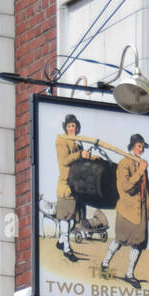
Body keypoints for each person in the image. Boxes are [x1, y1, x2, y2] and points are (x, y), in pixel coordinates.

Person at [100, 133, 149, 289]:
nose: (141, 149)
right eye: (139, 146)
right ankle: (104, 264)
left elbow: (148, 187)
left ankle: (129, 274)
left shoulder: (142, 164)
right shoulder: (125, 163)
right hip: (127, 210)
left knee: (138, 243)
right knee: (120, 240)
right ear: (132, 146)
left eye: (143, 147)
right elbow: (126, 187)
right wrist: (139, 171)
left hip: (141, 210)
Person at [54, 113, 91, 263]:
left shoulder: (78, 142)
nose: (71, 128)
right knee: (65, 217)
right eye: (69, 126)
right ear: (65, 127)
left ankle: (61, 241)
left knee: (75, 220)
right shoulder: (62, 140)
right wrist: (80, 155)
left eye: (73, 126)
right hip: (67, 185)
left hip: (77, 186)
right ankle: (67, 249)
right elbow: (64, 160)